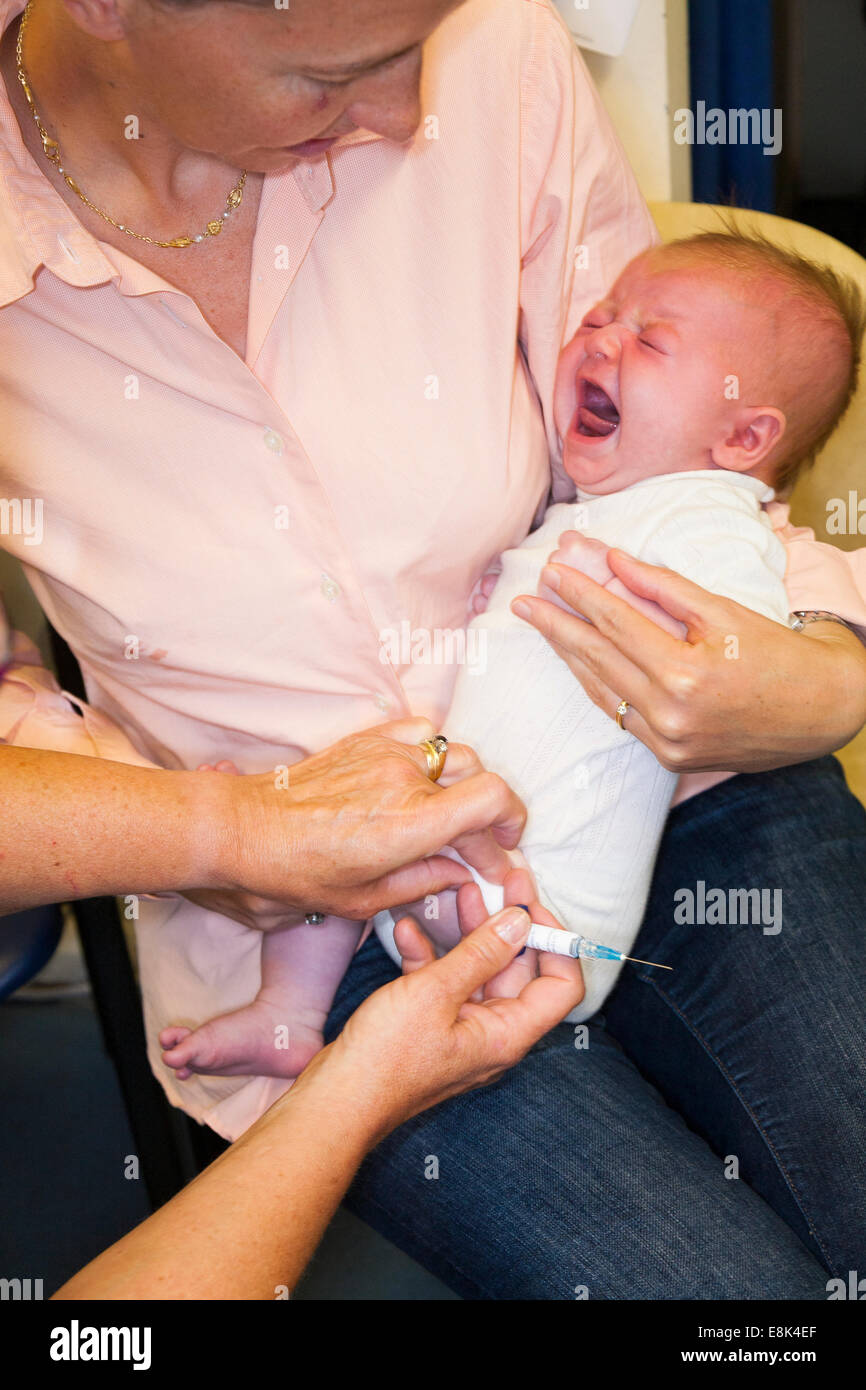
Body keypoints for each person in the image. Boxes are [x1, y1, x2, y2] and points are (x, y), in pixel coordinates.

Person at [1, 0, 865, 1296]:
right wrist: (202, 824)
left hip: (674, 775)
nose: (414, 116)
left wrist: (825, 667)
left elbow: (679, 454)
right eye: (331, 73)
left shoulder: (494, 48)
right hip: (321, 912)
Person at [159, 227, 865, 1076]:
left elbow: (739, 656)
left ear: (743, 441)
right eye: (601, 316)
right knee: (349, 843)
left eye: (650, 340)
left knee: (404, 868)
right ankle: (290, 1011)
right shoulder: (601, 506)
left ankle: (342, 1011)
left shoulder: (705, 519)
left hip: (546, 900)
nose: (602, 338)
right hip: (473, 841)